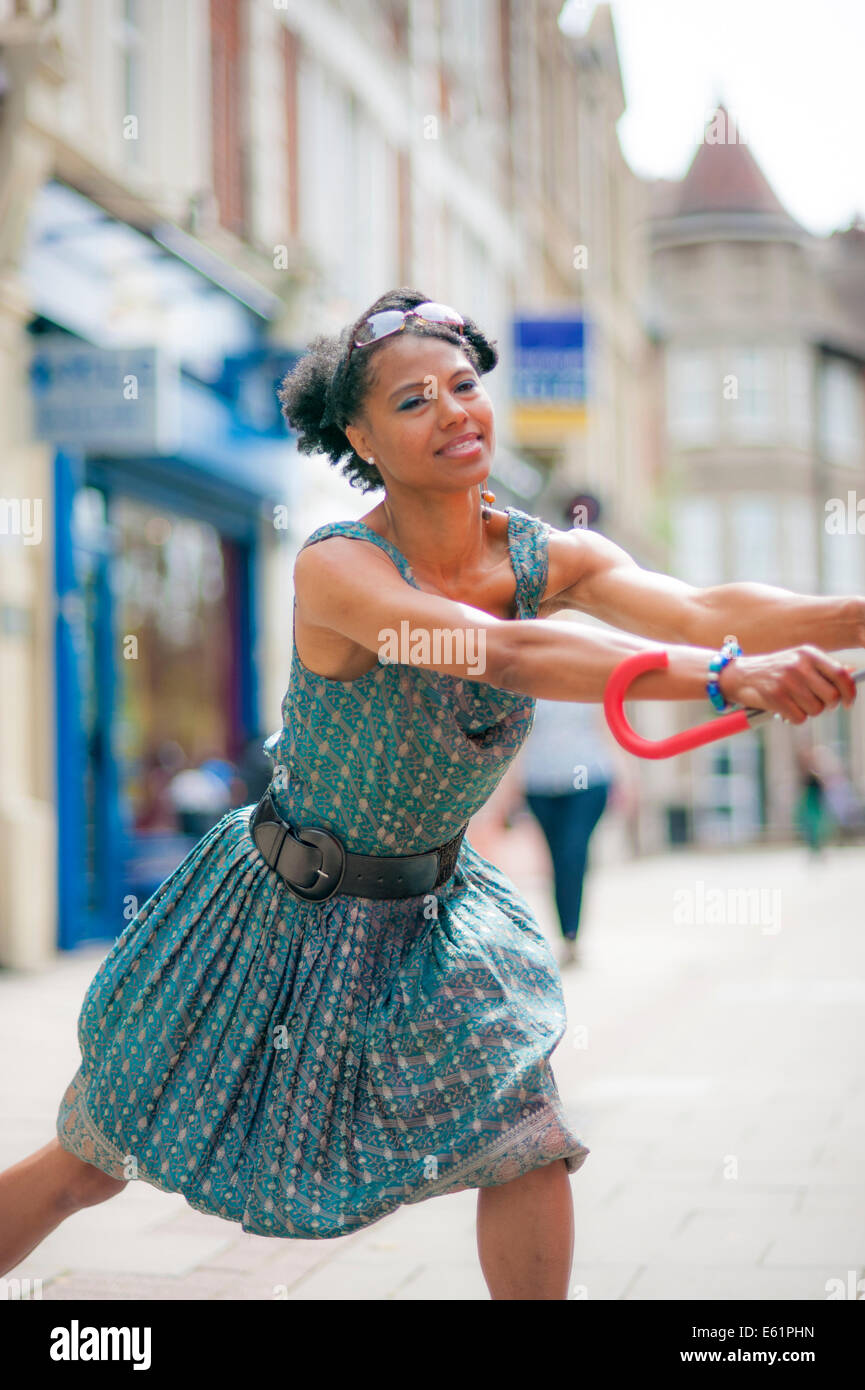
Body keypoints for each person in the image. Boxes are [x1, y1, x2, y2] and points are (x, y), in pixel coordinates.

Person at [1, 289, 861, 1302]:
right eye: (414, 401)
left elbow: (709, 606)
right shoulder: (339, 569)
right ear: (359, 435)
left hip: (433, 915)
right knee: (93, 1157)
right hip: (273, 912)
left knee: (526, 1135)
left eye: (464, 386)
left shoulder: (544, 555)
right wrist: (720, 678)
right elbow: (494, 649)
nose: (455, 411)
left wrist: (841, 616)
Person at [520, 697, 616, 966]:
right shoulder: (528, 681)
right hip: (540, 784)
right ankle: (567, 936)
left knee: (573, 855)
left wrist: (628, 778)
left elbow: (604, 727)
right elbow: (518, 738)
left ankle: (572, 935)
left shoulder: (586, 679)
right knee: (557, 863)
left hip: (588, 783)